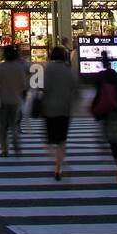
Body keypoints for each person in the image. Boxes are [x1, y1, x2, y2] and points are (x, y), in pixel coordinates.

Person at [91, 51, 117, 183]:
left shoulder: (100, 76)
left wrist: (93, 109)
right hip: (116, 111)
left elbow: (98, 95)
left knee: (106, 139)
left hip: (106, 112)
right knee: (114, 142)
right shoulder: (115, 76)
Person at [41, 45, 78, 179]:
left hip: (50, 109)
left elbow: (44, 87)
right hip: (65, 110)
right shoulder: (68, 70)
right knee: (62, 140)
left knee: (50, 140)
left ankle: (57, 159)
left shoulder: (48, 69)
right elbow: (75, 88)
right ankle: (59, 167)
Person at [0, 45, 29, 157]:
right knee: (13, 124)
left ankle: (4, 149)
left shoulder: (2, 68)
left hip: (3, 100)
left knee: (3, 126)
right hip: (15, 100)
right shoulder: (18, 67)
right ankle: (16, 141)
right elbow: (24, 85)